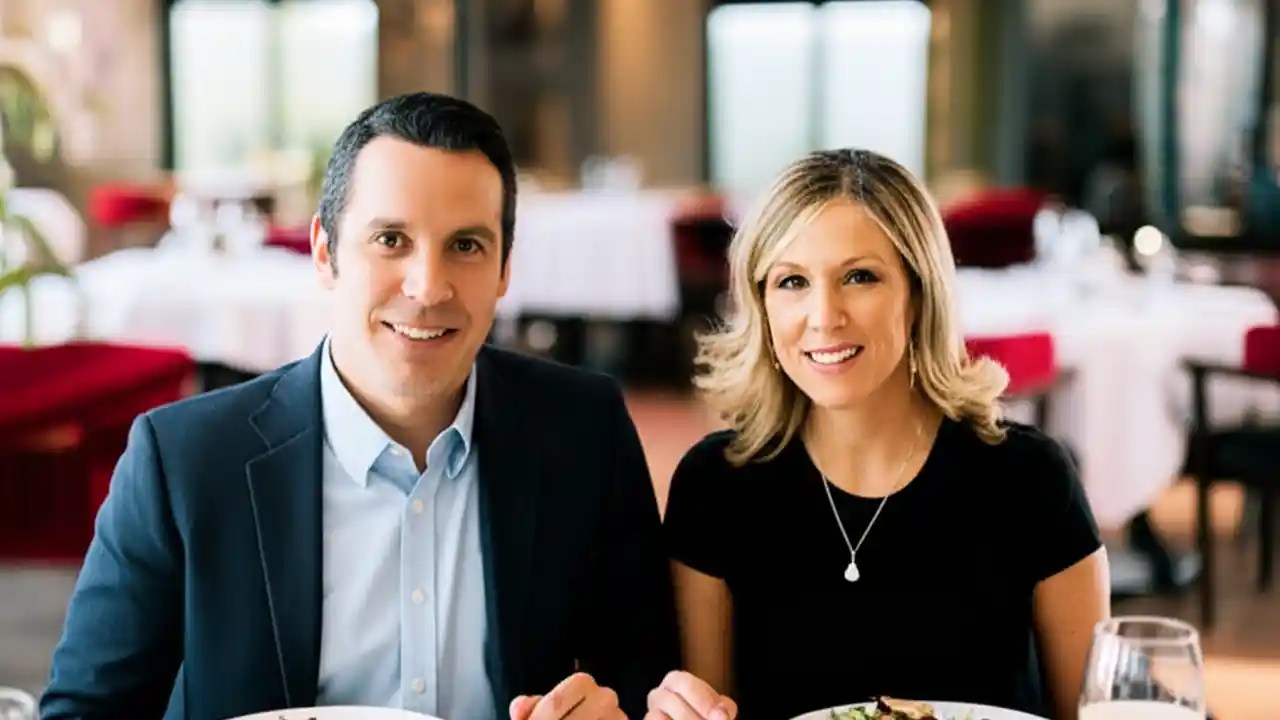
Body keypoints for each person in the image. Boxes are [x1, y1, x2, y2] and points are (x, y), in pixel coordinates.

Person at [41, 92, 677, 720]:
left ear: (506, 269)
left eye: (466, 246)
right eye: (391, 239)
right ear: (325, 252)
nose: (428, 287)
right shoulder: (183, 460)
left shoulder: (583, 431)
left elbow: (644, 679)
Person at [646, 149, 1110, 720]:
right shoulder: (714, 487)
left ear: (918, 293)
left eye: (859, 277)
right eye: (791, 281)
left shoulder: (1030, 478)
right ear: (762, 306)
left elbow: (1094, 715)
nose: (823, 315)